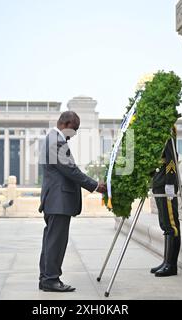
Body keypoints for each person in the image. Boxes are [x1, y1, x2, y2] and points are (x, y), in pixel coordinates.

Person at [38, 111, 107, 292]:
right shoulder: (56, 142)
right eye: (74, 130)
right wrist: (95, 185)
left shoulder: (53, 139)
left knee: (51, 240)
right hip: (58, 201)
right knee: (56, 241)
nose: (75, 134)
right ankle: (51, 279)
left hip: (55, 200)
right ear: (66, 124)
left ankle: (46, 278)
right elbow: (71, 171)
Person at [150, 128, 180, 277]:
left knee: (171, 224)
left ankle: (171, 265)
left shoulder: (166, 127)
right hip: (158, 179)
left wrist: (170, 181)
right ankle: (166, 261)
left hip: (165, 181)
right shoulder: (156, 127)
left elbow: (172, 157)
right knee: (164, 223)